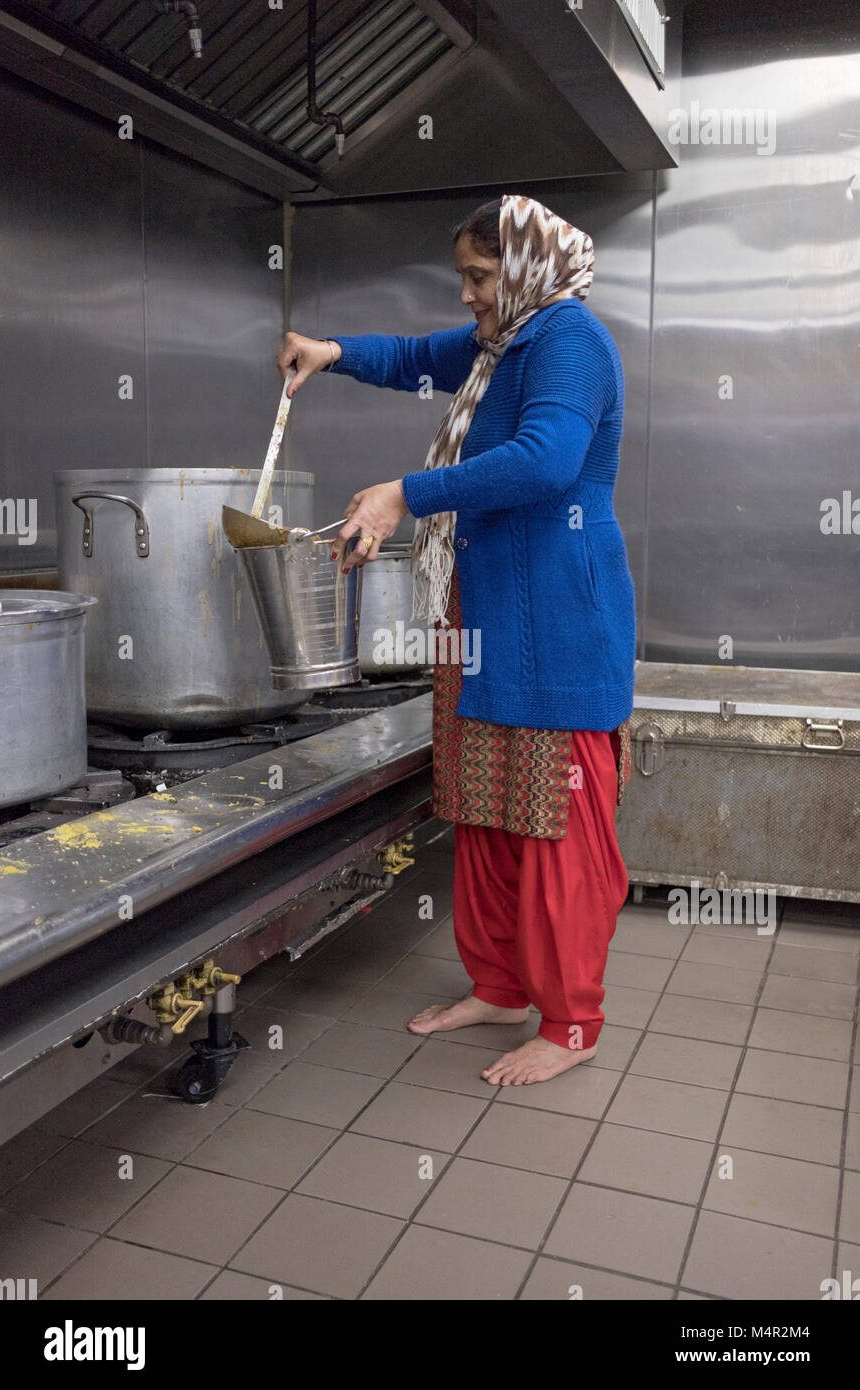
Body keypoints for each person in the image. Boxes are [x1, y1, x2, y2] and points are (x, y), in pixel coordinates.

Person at [277, 192, 635, 1086]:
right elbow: (413, 358)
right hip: (481, 626)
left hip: (555, 630)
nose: (469, 296)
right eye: (465, 279)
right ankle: (502, 984)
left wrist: (406, 493)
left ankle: (571, 1023)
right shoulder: (501, 343)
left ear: (521, 268)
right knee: (485, 813)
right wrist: (332, 354)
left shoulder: (569, 342)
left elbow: (549, 462)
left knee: (556, 831)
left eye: (479, 277)